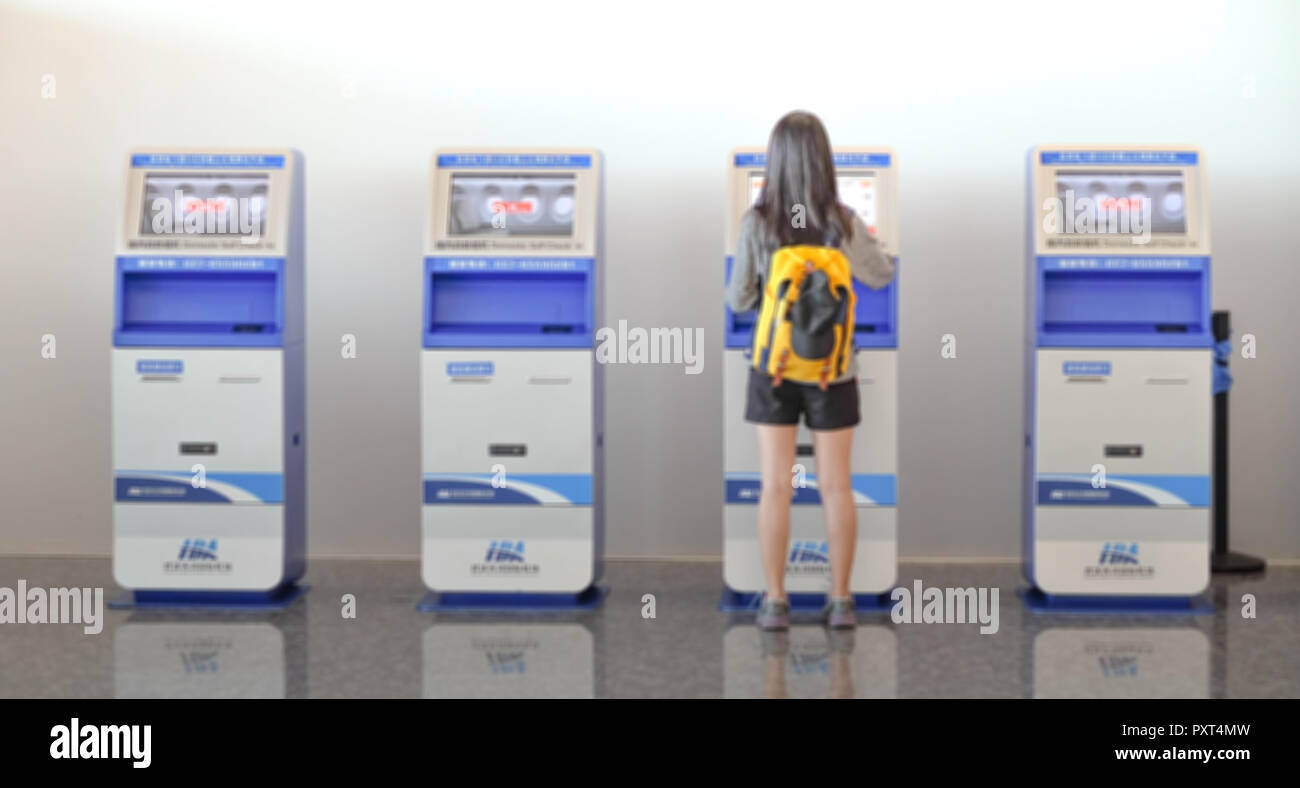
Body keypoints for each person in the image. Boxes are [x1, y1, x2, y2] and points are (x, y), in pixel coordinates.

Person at [726, 111, 895, 630]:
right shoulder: (842, 220)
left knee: (776, 484)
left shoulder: (757, 222)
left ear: (774, 162)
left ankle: (775, 601)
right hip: (834, 370)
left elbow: (739, 299)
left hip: (773, 369)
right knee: (836, 486)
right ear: (824, 162)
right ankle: (841, 600)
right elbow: (880, 275)